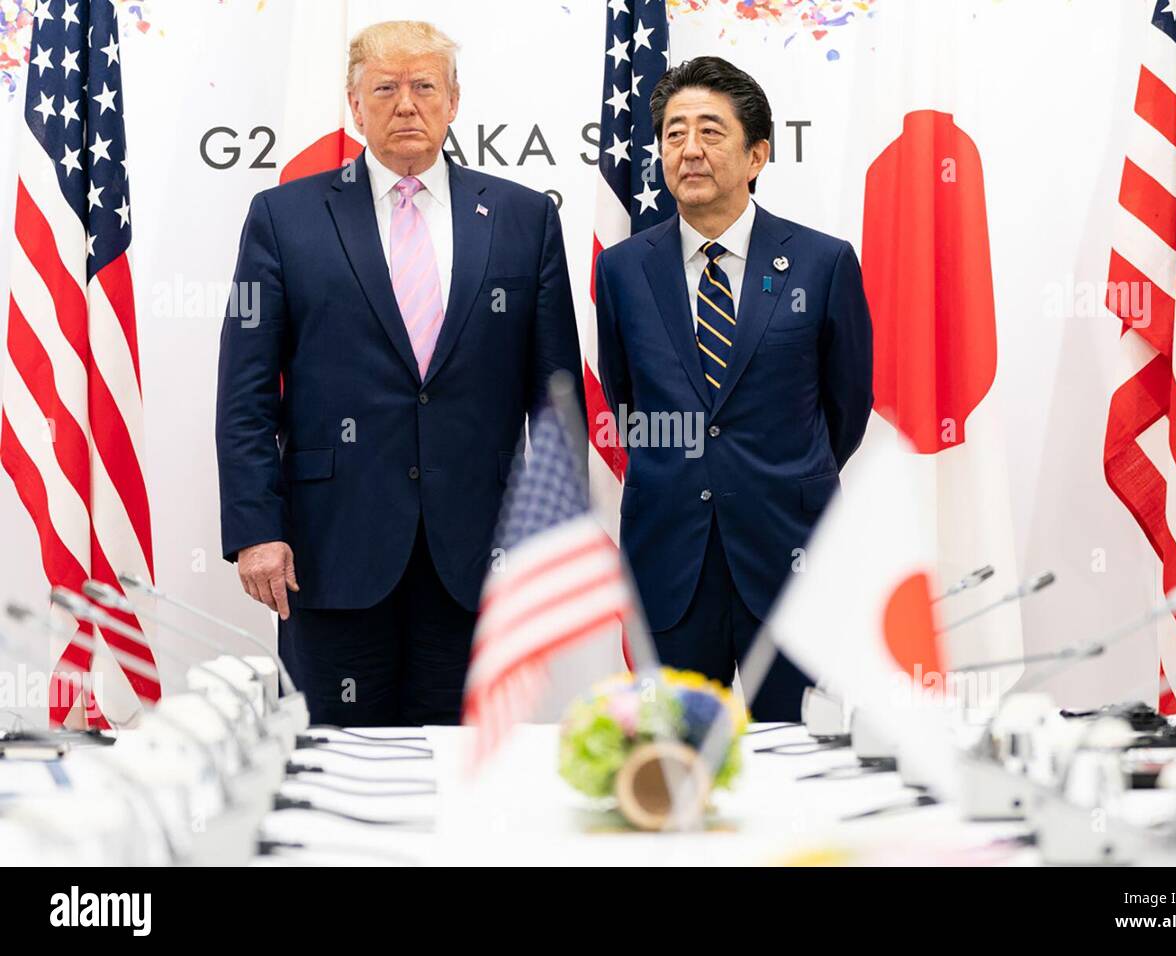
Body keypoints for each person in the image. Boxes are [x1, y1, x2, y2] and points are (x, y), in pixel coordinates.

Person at [215, 20, 582, 726]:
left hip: (483, 556)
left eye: (423, 86)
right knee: (329, 766)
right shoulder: (283, 217)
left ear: (453, 101)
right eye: (384, 88)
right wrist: (257, 527)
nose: (405, 104)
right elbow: (246, 394)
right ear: (355, 105)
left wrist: (553, 539)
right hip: (329, 552)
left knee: (466, 772)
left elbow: (555, 398)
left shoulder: (523, 218)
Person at [595, 56, 872, 721]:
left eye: (711, 132)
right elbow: (625, 396)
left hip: (790, 555)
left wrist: (780, 466)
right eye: (674, 132)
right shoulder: (624, 269)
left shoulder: (822, 262)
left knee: (800, 759)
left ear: (757, 154)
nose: (689, 149)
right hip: (670, 557)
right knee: (677, 764)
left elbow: (846, 406)